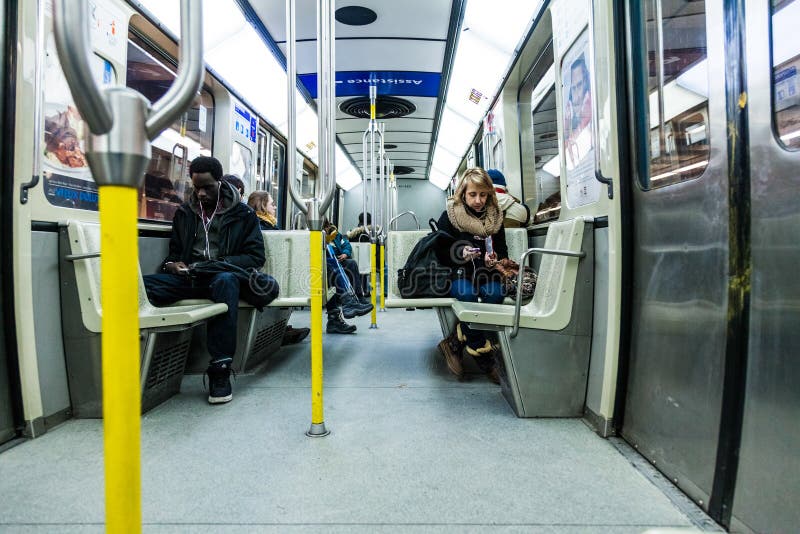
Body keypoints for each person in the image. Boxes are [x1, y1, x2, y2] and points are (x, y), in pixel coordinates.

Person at [143, 156, 279, 404]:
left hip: (222, 276)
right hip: (191, 277)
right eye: (196, 187)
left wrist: (217, 264)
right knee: (141, 284)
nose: (201, 193)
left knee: (226, 281)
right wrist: (171, 265)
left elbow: (254, 256)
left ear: (220, 182)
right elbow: (174, 253)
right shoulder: (185, 213)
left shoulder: (242, 214)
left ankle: (220, 368)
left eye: (207, 187)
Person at [436, 167, 508, 384]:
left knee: (494, 295)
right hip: (458, 273)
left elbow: (503, 251)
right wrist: (461, 253)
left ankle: (457, 339)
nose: (478, 200)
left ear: (489, 195)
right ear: (463, 194)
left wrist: (494, 258)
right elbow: (440, 253)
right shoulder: (449, 216)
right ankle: (484, 356)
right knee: (466, 296)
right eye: (473, 194)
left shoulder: (495, 218)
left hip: (487, 274)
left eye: (483, 194)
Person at [246, 190, 311, 345]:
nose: (275, 207)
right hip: (270, 271)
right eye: (272, 204)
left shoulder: (267, 223)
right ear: (262, 206)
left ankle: (282, 328)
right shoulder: (260, 224)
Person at [323, 218, 369, 305]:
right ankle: (344, 298)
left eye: (326, 227)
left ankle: (359, 295)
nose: (325, 230)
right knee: (333, 268)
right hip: (325, 263)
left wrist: (345, 254)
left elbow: (346, 245)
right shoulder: (316, 236)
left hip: (339, 260)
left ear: (328, 226)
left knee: (352, 263)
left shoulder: (336, 235)